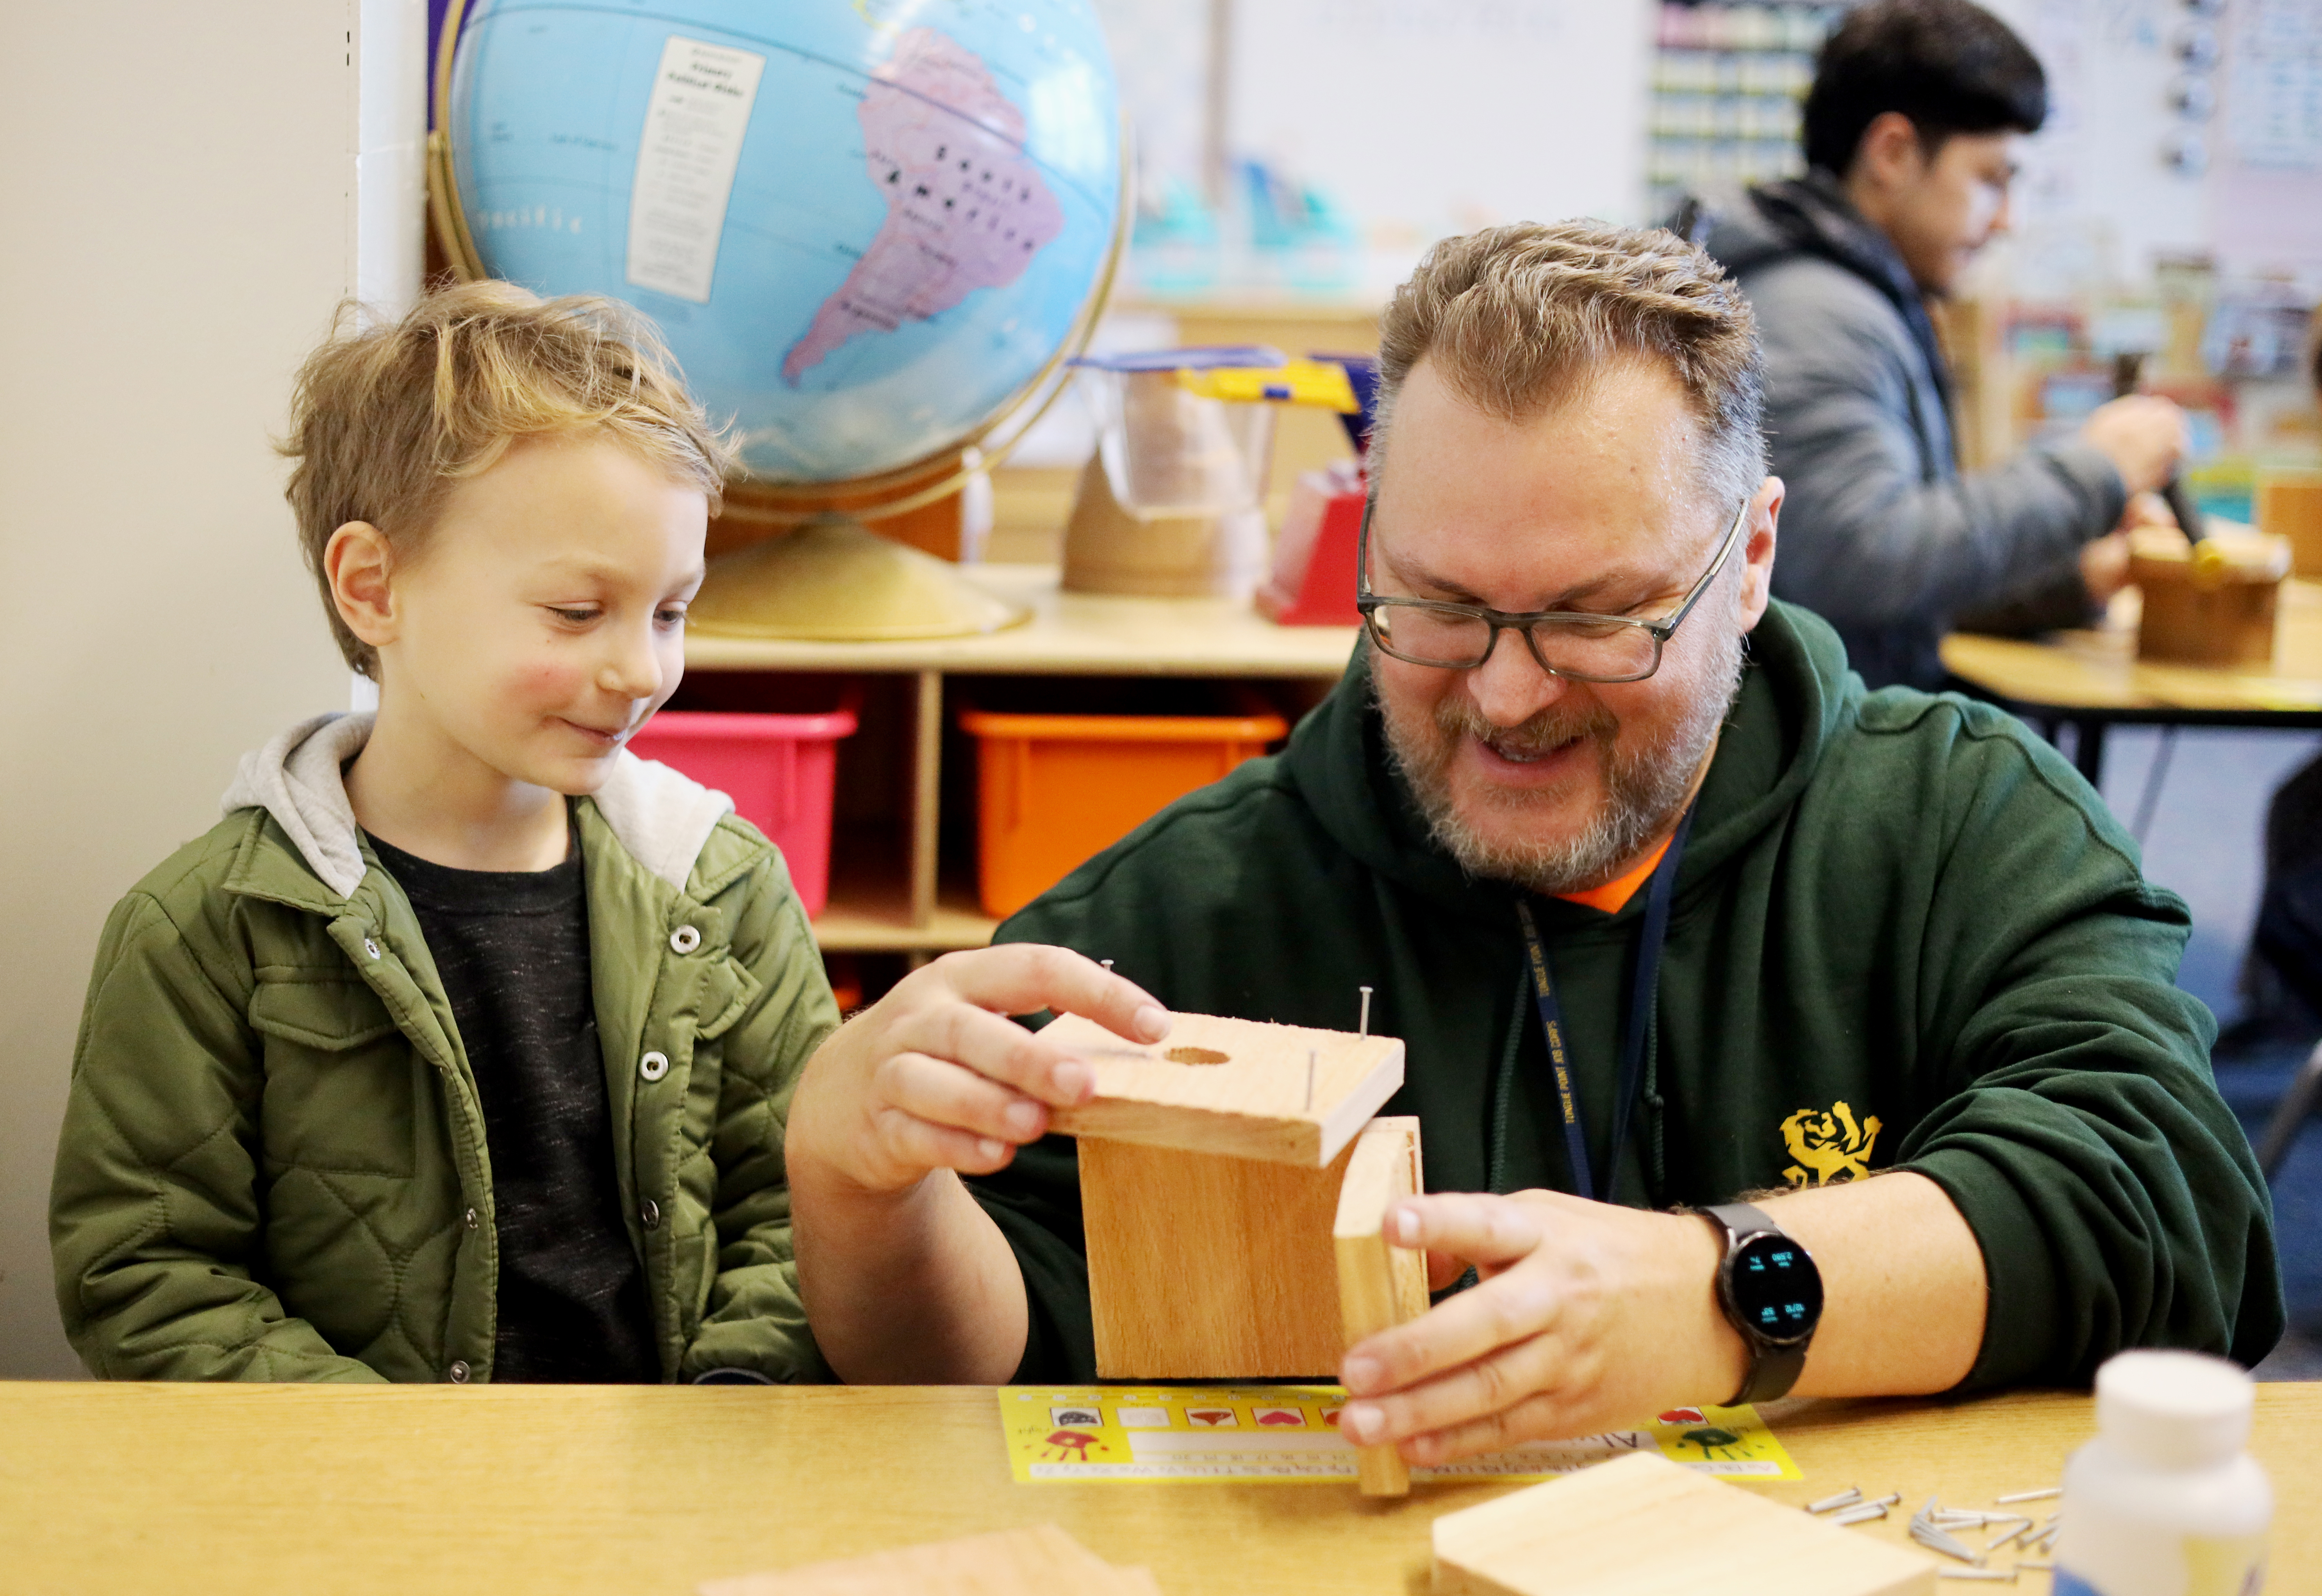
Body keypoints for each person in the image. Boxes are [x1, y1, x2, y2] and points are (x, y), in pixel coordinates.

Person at [787, 222, 2281, 1460]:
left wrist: (1722, 1287)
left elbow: (2174, 1216)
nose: (1505, 694)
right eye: (1434, 605)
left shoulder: (1958, 821)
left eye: (1592, 615)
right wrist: (867, 1202)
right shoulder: (1180, 914)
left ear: (1748, 558)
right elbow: (986, 1359)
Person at [48, 282, 1163, 1382]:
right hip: (374, 1524)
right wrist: (398, 1471)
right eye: (578, 612)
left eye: (671, 610)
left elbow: (791, 1207)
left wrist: (724, 1417)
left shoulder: (722, 890)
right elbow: (150, 1270)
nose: (643, 671)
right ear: (374, 587)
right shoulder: (208, 926)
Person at [1687, 0, 2190, 690]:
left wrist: (2076, 579)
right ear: (1892, 152)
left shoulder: (1852, 292)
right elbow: (1862, 562)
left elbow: (1886, 591)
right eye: (1991, 179)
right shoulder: (1819, 311)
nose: (2006, 221)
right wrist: (2095, 471)